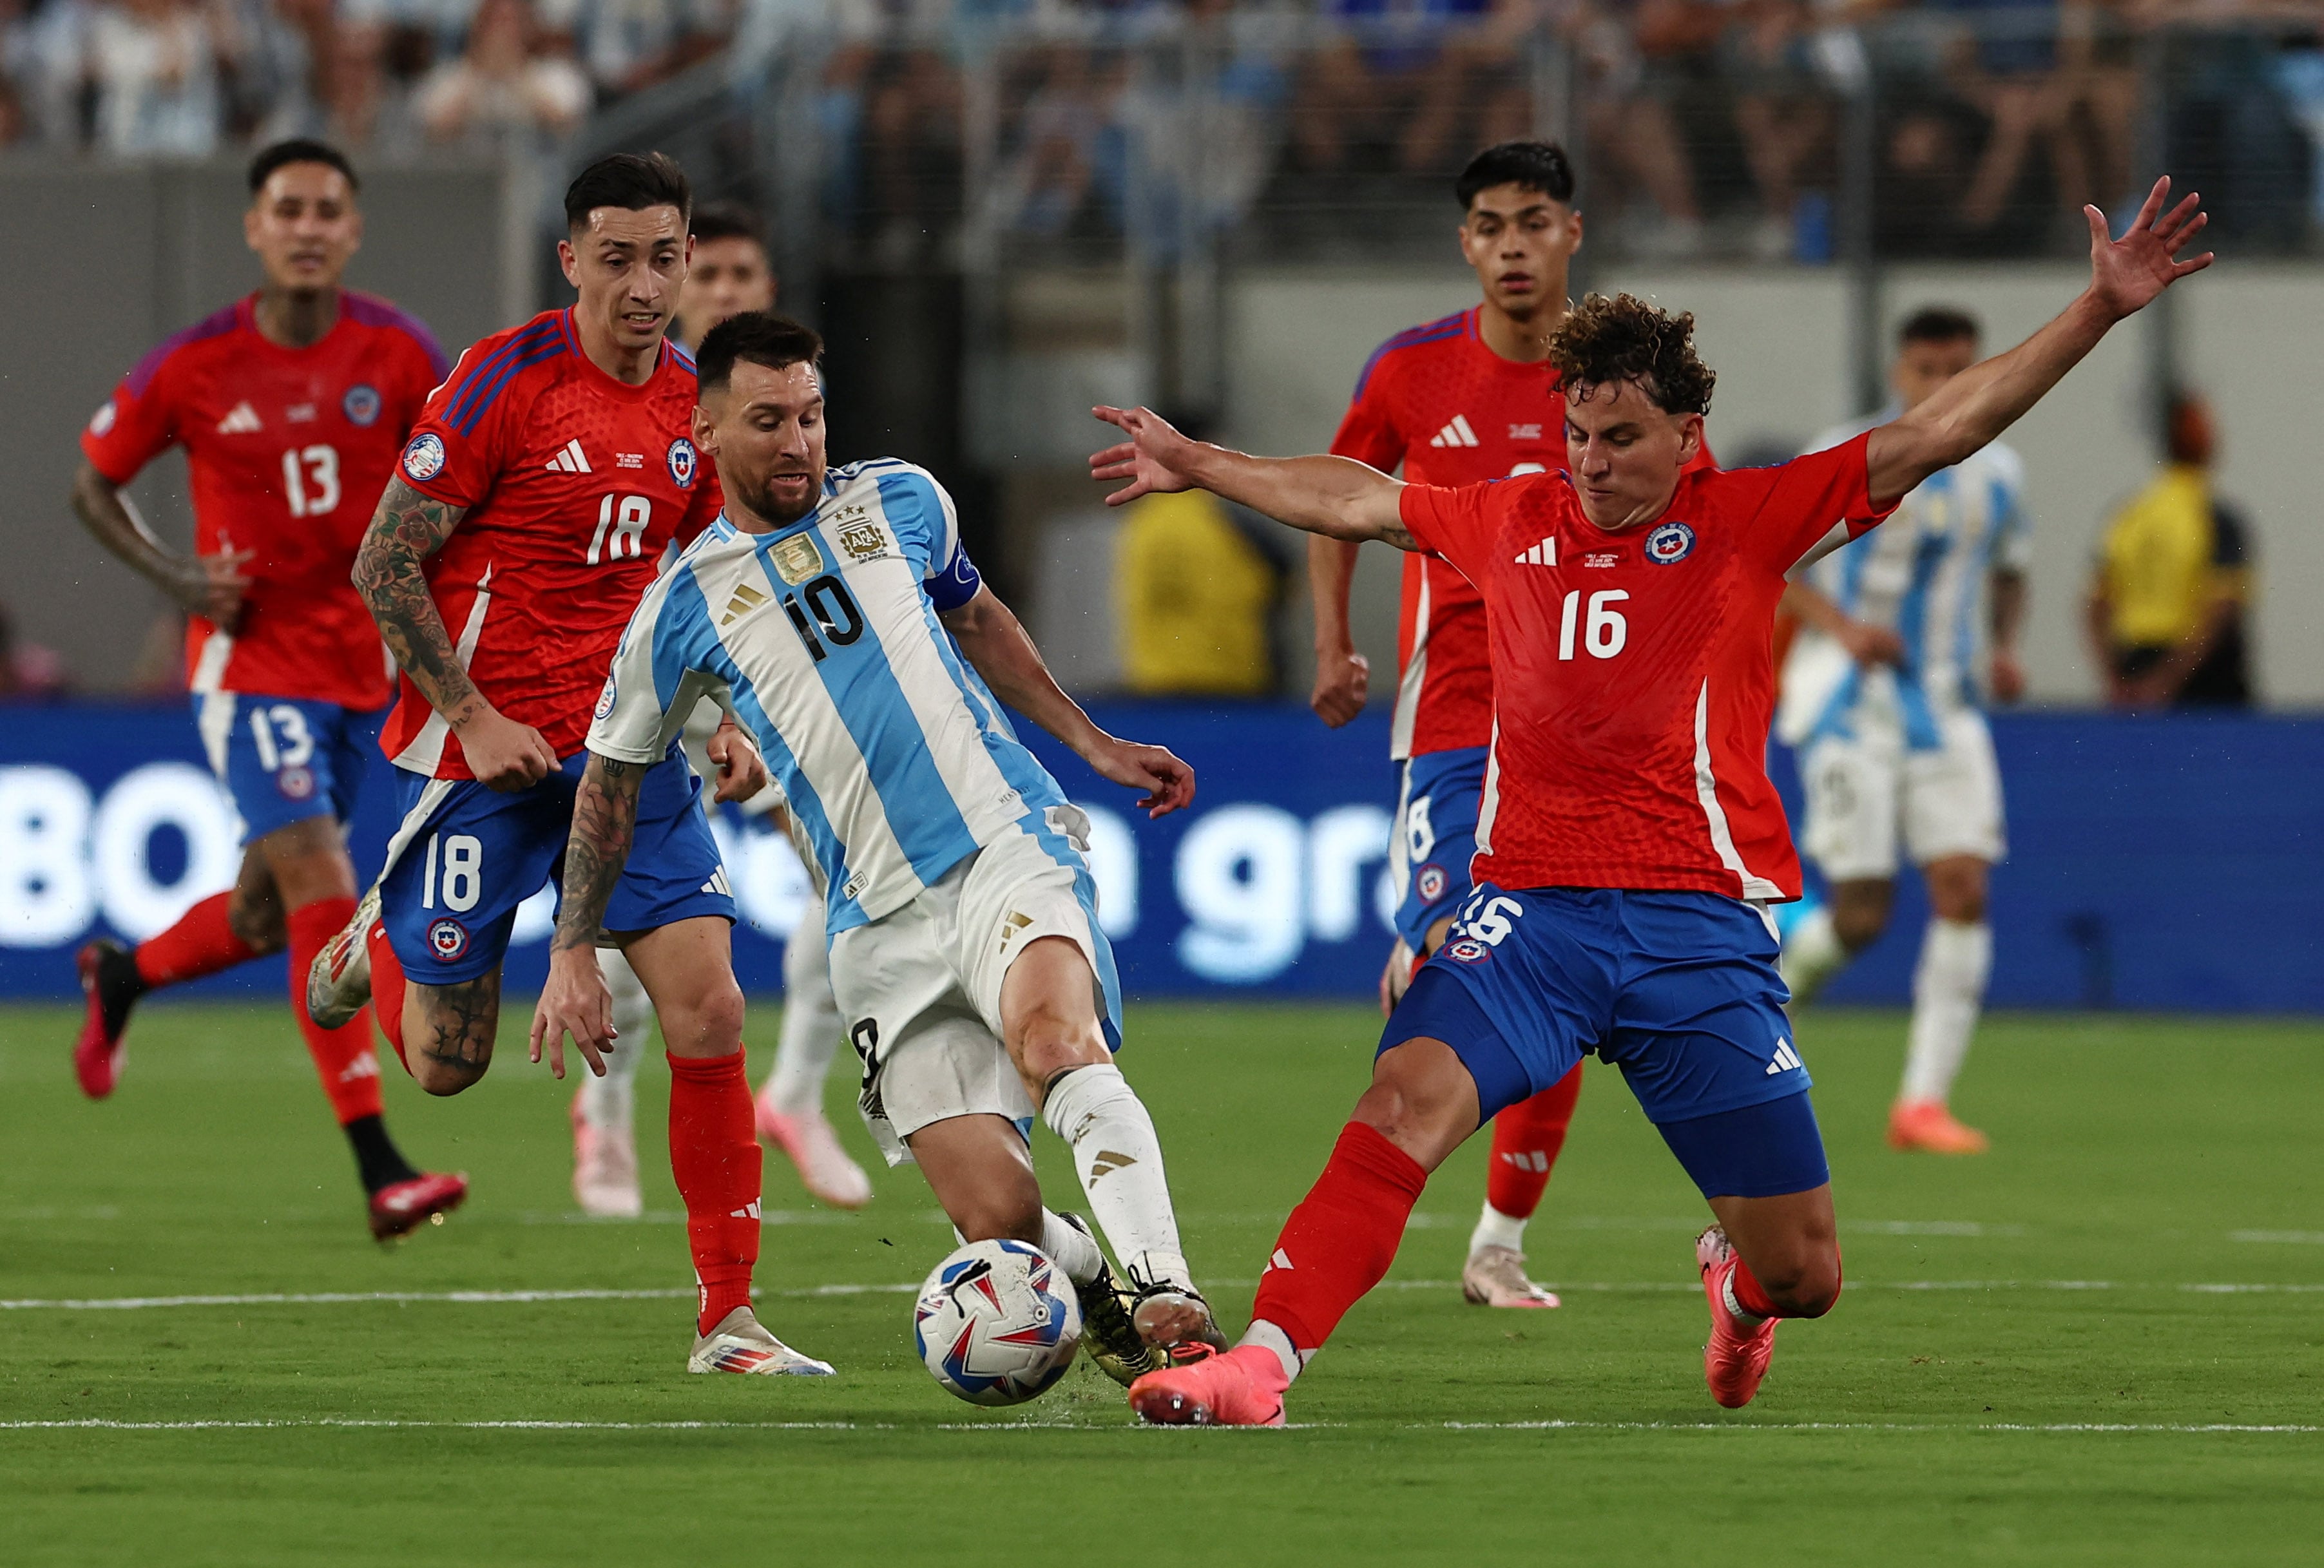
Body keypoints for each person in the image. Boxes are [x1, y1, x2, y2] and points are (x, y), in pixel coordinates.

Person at [1093, 177, 2209, 1426]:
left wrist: (2098, 311)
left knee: (1807, 1271)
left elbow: (1939, 430)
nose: (1588, 461)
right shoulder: (1509, 517)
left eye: (1618, 438)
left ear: (1688, 432)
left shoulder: (1750, 522)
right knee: (1400, 1096)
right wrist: (1201, 463)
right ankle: (1263, 1361)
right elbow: (1350, 493)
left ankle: (1736, 1288)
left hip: (1699, 933)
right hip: (1534, 922)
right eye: (1575, 433)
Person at [536, 310, 1224, 1386]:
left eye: (810, 414)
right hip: (875, 917)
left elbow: (981, 616)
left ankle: (1168, 1293)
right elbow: (609, 788)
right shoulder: (678, 611)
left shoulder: (900, 496)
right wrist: (573, 947)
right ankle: (1089, 1279)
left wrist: (1092, 740)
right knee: (996, 1217)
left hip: (1003, 835)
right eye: (767, 420)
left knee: (1054, 1040)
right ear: (705, 428)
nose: (798, 440)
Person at [309, 153, 818, 1376]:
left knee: (710, 1006)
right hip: (476, 754)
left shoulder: (697, 402)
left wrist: (736, 714)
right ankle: (373, 938)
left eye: (665, 258)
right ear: (571, 261)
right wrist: (474, 713)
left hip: (621, 757)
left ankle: (728, 1318)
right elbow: (384, 563)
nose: (645, 286)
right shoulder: (503, 381)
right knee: (445, 1065)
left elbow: (716, 584)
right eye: (618, 258)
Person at [1312, 139, 1711, 1312]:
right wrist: (1333, 636)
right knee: (1466, 959)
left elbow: (1705, 541)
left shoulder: (1623, 384)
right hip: (1455, 716)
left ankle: (1496, 1239)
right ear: (1465, 243)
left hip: (1590, 733)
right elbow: (1339, 491)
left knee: (1559, 978)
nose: (1512, 246)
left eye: (1532, 221)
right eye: (1488, 225)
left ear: (1571, 233)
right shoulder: (1410, 372)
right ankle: (1422, 948)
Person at [70, 138, 462, 1243]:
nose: (305, 225)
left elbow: (449, 487)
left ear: (351, 229)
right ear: (254, 226)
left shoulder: (396, 352)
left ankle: (124, 972)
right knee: (319, 873)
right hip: (249, 667)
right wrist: (179, 573)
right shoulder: (194, 364)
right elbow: (91, 483)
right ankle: (381, 1164)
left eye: (325, 208)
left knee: (266, 905)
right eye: (285, 207)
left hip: (362, 665)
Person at [570, 195, 869, 1221]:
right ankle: (603, 1121)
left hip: (754, 677)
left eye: (747, 279)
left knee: (848, 862)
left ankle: (793, 1091)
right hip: (646, 674)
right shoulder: (637, 397)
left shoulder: (777, 405)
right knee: (631, 905)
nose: (729, 294)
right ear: (674, 287)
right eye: (712, 279)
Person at [1773, 307, 2030, 1156]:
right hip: (1850, 709)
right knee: (1861, 916)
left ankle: (1919, 1104)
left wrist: (2001, 648)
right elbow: (1769, 561)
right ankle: (1765, 1006)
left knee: (1963, 888)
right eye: (1927, 369)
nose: (1943, 384)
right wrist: (1840, 630)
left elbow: (2008, 570)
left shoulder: (1998, 474)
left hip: (1947, 711)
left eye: (1959, 367)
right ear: (1899, 372)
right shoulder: (1851, 453)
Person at [2086, 392, 2255, 708]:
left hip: (2138, 663)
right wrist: (2166, 681)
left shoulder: (2130, 515)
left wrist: (2116, 680)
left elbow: (2096, 607)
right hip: (2203, 678)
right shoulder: (2216, 516)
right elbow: (2223, 610)